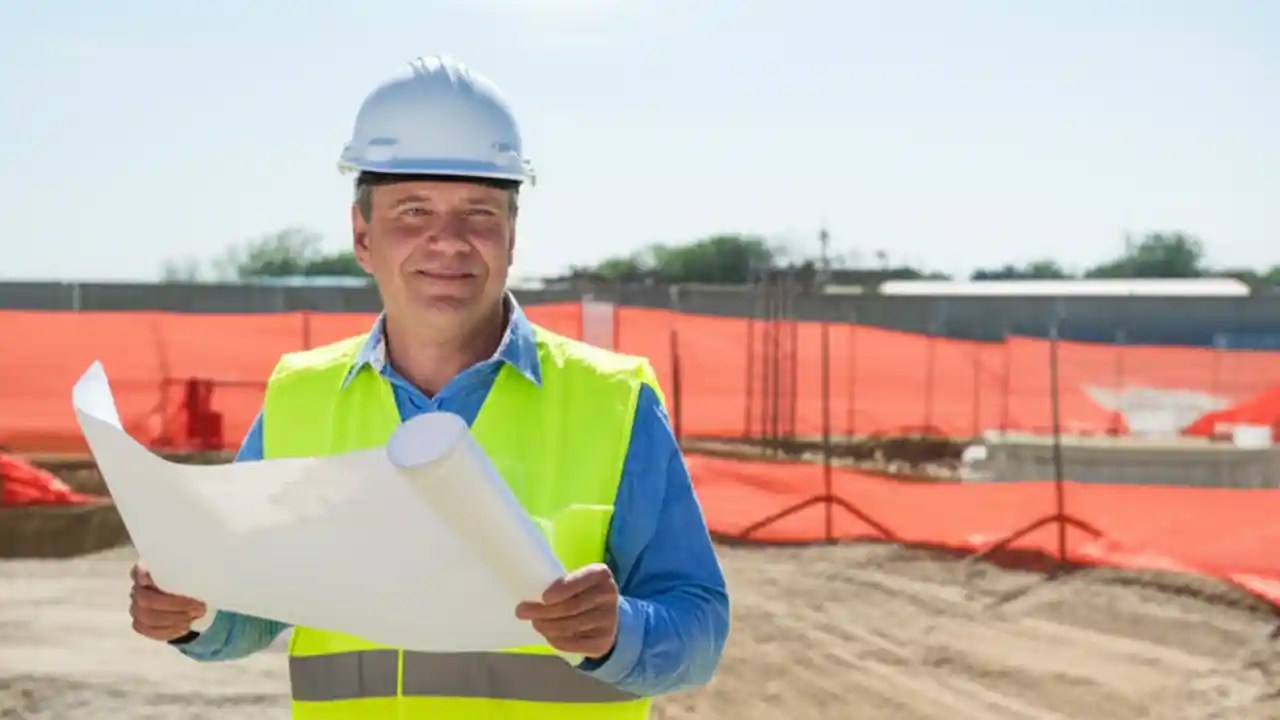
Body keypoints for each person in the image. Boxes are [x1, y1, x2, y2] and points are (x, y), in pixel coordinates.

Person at [126, 55, 730, 718]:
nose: (448, 242)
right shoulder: (299, 398)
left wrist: (620, 632)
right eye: (413, 213)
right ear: (363, 235)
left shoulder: (613, 401)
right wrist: (193, 612)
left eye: (478, 214)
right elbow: (251, 606)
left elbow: (697, 624)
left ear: (511, 236)